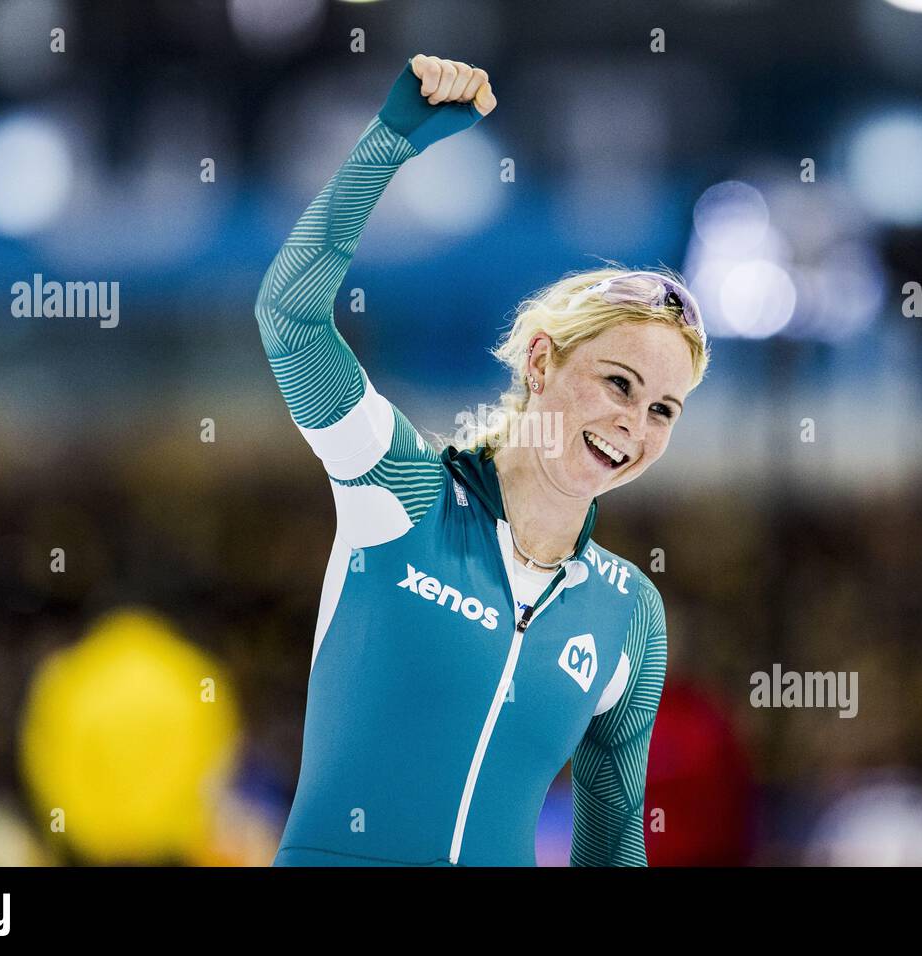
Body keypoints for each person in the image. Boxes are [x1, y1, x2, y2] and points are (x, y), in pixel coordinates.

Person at [256, 53, 710, 866]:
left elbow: (612, 849)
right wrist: (389, 141)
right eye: (618, 382)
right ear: (540, 363)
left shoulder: (628, 613)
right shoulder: (401, 487)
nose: (632, 424)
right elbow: (291, 317)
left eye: (662, 409)